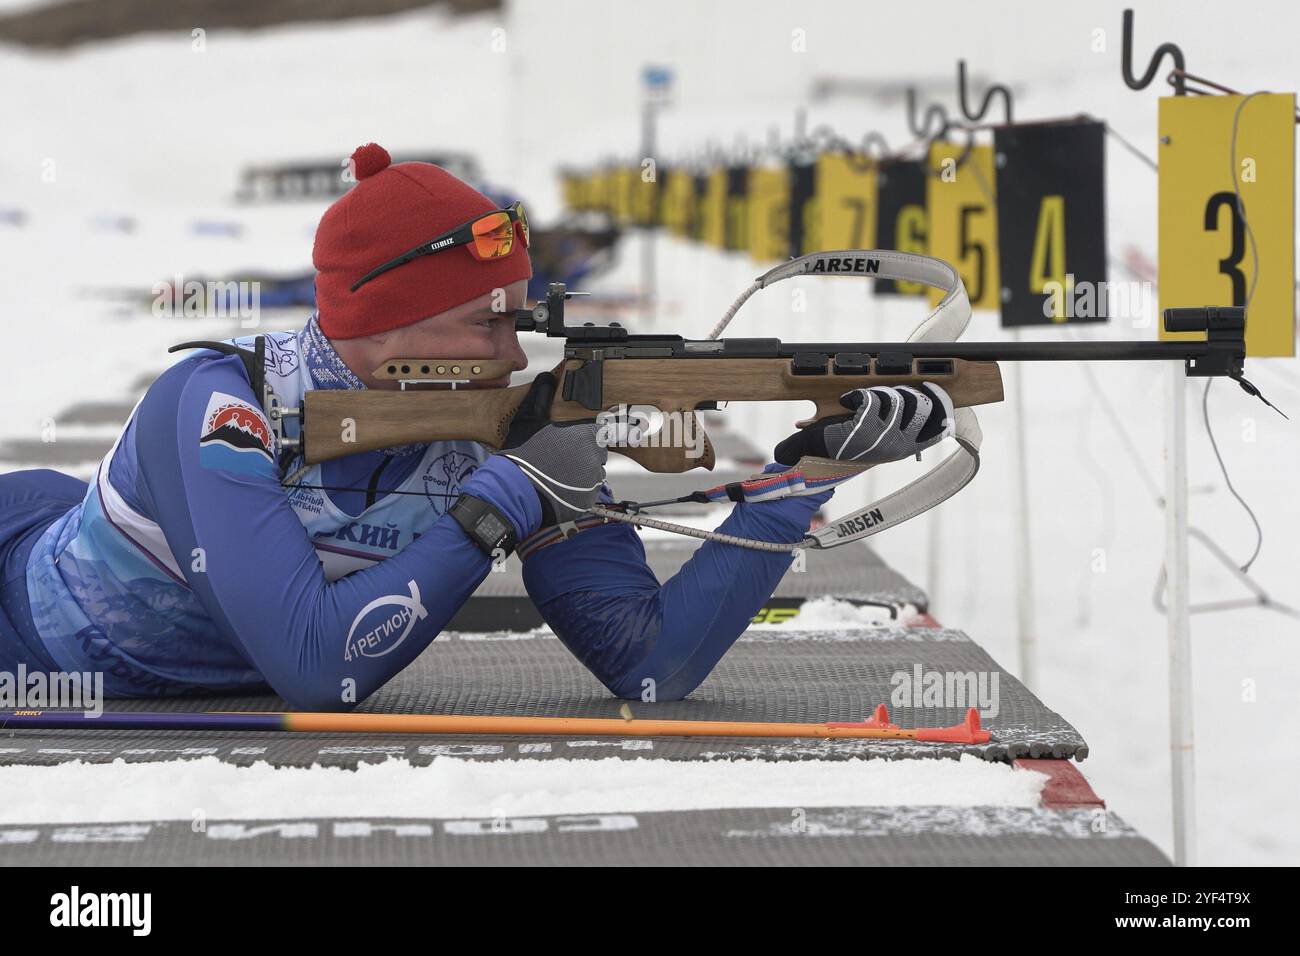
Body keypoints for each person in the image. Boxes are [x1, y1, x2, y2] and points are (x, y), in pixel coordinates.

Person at [0, 143, 952, 710]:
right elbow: (312, 668)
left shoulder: (499, 422)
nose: (514, 350)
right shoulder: (219, 402)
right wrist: (504, 499)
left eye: (521, 318)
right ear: (382, 320)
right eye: (487, 319)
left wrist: (803, 482)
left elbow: (650, 665)